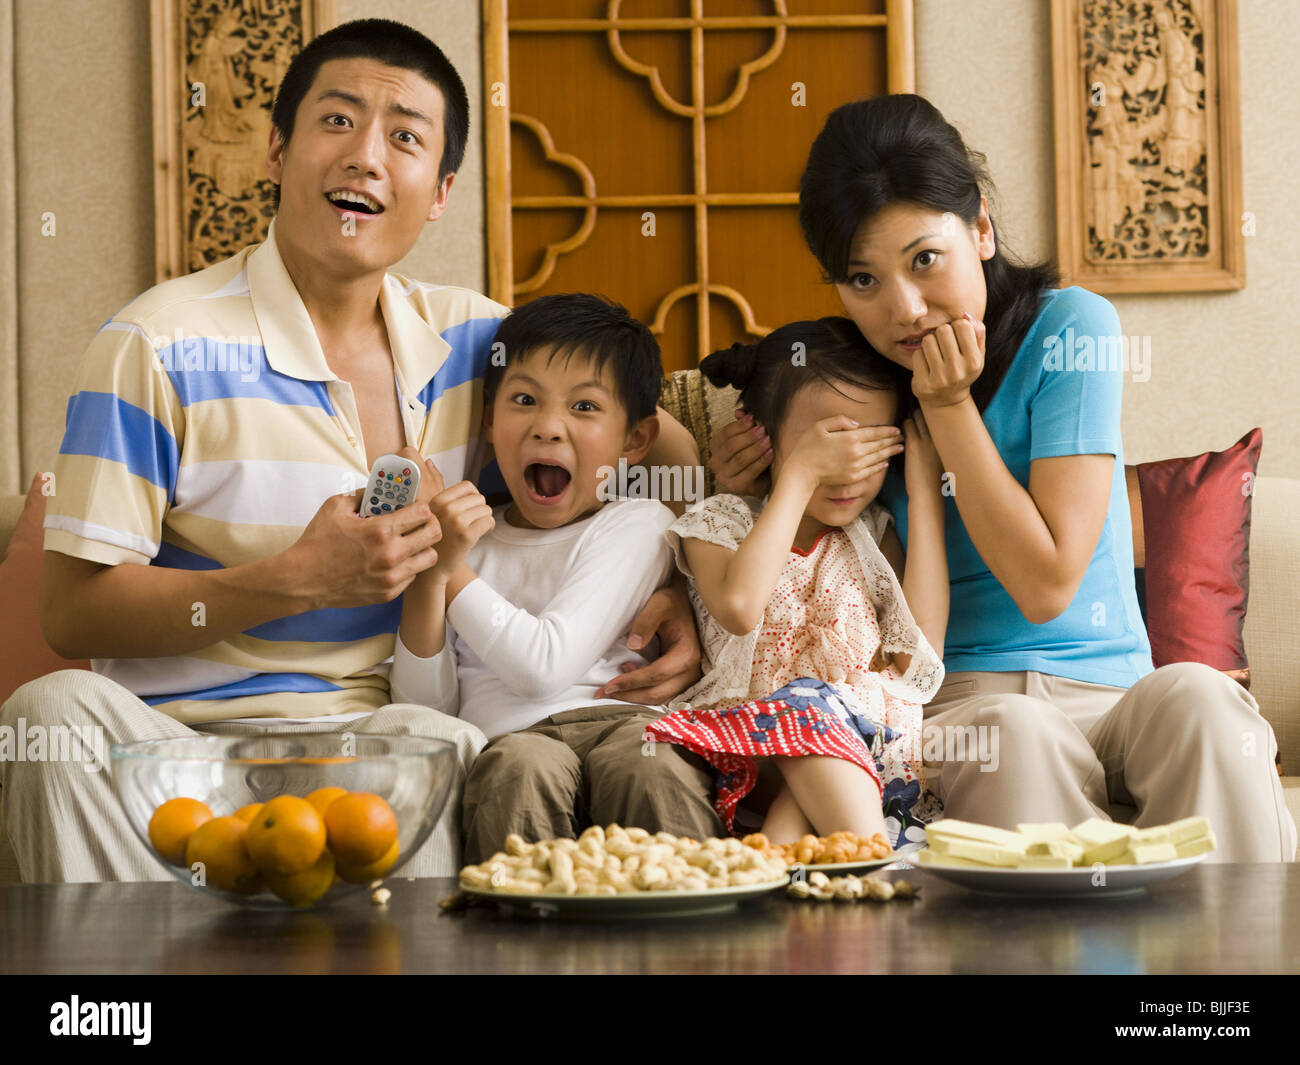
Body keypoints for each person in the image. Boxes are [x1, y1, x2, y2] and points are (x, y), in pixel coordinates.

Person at [0, 19, 703, 883]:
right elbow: (71, 615)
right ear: (275, 148)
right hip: (172, 747)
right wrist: (297, 578)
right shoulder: (154, 344)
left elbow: (648, 435)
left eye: (404, 137)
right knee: (48, 714)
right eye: (337, 121)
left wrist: (666, 580)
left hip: (376, 746)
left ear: (440, 191)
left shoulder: (480, 343)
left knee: (450, 740)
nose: (366, 157)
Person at [708, 93, 1296, 862]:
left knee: (1205, 699)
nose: (905, 309)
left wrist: (949, 407)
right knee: (1012, 734)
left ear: (980, 227)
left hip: (1114, 694)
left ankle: (1233, 977)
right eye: (864, 281)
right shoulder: (854, 384)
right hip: (962, 706)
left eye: (924, 259)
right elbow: (786, 566)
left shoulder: (1073, 330)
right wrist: (735, 481)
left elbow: (1048, 582)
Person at [390, 294, 726, 862]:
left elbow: (542, 668)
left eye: (585, 407)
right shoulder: (471, 540)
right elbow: (428, 708)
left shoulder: (638, 523)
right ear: (489, 420)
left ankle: (691, 941)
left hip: (621, 724)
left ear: (635, 441)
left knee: (651, 771)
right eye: (523, 400)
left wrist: (452, 568)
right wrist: (431, 571)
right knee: (519, 771)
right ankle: (526, 944)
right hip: (508, 740)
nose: (548, 427)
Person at [644, 318, 949, 849]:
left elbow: (919, 651)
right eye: (829, 447)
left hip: (860, 755)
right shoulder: (719, 522)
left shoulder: (872, 535)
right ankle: (867, 861)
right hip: (746, 747)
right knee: (807, 708)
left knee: (823, 717)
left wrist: (922, 491)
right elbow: (739, 608)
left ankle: (788, 857)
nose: (847, 471)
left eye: (870, 449)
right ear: (760, 435)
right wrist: (798, 475)